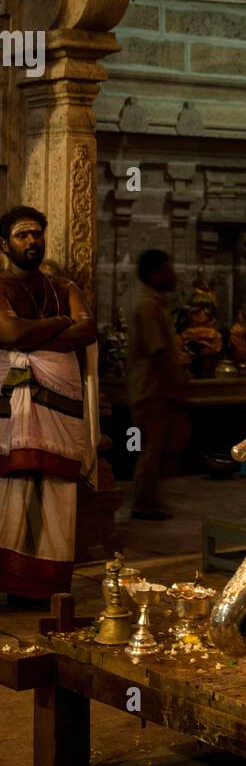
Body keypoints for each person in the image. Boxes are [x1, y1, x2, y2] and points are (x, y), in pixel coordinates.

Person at [0, 206, 97, 601]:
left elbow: (87, 329)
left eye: (37, 234)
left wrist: (28, 338)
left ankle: (48, 586)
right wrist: (61, 325)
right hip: (13, 409)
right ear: (5, 244)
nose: (32, 241)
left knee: (57, 494)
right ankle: (10, 584)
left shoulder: (64, 287)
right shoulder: (2, 286)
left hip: (60, 408)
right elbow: (7, 331)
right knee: (12, 492)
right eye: (23, 235)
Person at [126, 250, 189, 519]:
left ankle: (148, 498)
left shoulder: (151, 301)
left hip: (154, 387)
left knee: (158, 447)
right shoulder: (147, 305)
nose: (173, 275)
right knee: (151, 449)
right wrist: (176, 385)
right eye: (167, 269)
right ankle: (143, 503)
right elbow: (158, 350)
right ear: (155, 274)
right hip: (153, 388)